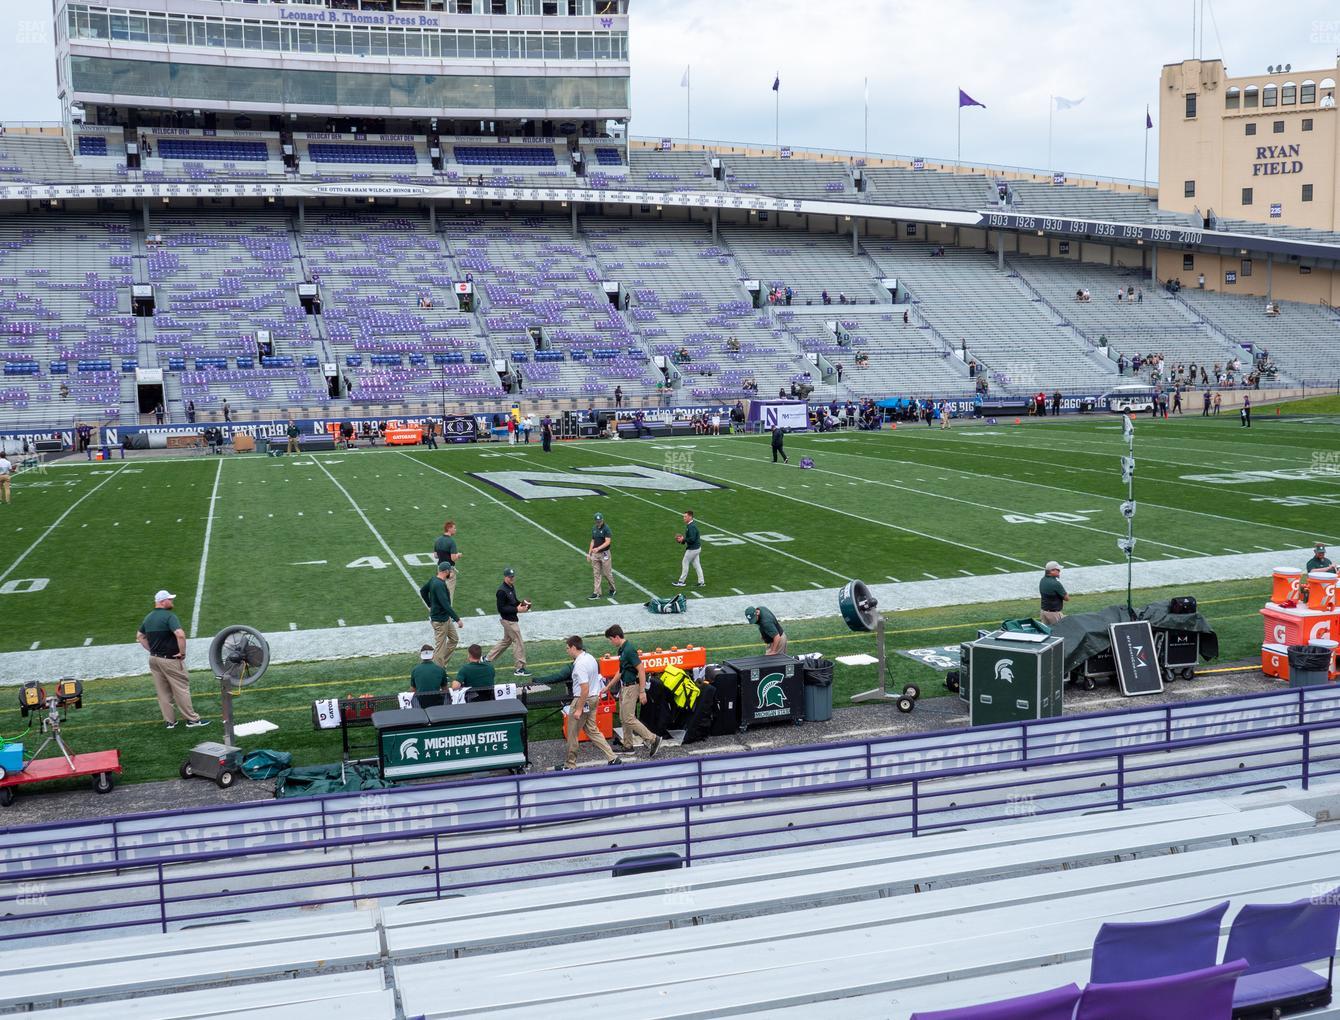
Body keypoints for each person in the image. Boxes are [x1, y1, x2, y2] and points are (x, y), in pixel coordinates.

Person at [136, 590, 208, 729]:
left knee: (163, 691)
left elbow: (140, 635)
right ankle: (192, 720)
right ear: (163, 602)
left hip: (154, 660)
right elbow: (180, 635)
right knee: (181, 689)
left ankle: (170, 722)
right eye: (170, 599)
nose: (172, 602)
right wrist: (182, 653)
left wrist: (151, 650)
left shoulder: (148, 617)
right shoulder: (169, 616)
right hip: (170, 660)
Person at [556, 635, 621, 771]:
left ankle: (570, 765)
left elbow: (584, 688)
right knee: (592, 730)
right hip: (594, 699)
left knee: (572, 733)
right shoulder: (590, 658)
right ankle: (612, 757)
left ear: (574, 647)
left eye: (568, 648)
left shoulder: (579, 665)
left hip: (583, 700)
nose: (567, 651)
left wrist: (579, 709)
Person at [605, 625, 661, 757]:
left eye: (611, 639)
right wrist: (608, 686)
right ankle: (628, 745)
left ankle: (653, 739)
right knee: (623, 718)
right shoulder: (622, 650)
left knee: (629, 718)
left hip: (631, 687)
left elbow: (641, 669)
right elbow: (621, 671)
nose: (610, 642)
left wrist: (642, 692)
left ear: (617, 637)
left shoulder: (629, 650)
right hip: (625, 687)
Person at [487, 567, 531, 678]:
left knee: (506, 641)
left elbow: (514, 601)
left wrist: (521, 605)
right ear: (505, 577)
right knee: (518, 642)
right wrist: (517, 610)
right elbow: (501, 608)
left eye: (513, 576)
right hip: (508, 621)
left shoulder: (511, 587)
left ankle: (487, 659)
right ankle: (519, 668)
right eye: (509, 577)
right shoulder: (501, 591)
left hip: (511, 619)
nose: (512, 578)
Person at [421, 562, 461, 668]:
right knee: (440, 648)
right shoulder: (439, 585)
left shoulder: (434, 580)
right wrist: (457, 619)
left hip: (445, 619)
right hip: (440, 621)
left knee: (454, 639)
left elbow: (423, 591)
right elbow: (446, 605)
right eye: (451, 571)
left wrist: (430, 604)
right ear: (446, 571)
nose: (452, 574)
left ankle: (442, 663)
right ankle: (439, 670)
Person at [672, 509, 705, 588]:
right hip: (696, 548)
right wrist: (682, 541)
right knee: (697, 565)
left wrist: (683, 539)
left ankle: (681, 581)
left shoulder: (691, 526)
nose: (684, 518)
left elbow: (692, 539)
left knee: (685, 562)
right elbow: (690, 539)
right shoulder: (690, 525)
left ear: (690, 517)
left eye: (685, 516)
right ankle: (701, 582)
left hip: (693, 549)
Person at [588, 511, 616, 600]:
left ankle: (612, 588)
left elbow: (608, 541)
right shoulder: (594, 528)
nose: (598, 522)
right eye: (597, 521)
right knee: (596, 574)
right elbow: (592, 541)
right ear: (595, 521)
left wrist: (598, 548)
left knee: (606, 573)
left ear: (602, 520)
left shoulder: (606, 529)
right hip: (595, 554)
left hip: (604, 553)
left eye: (600, 521)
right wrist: (589, 553)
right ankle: (597, 593)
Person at [410, 644, 448, 709]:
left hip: (420, 703)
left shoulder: (415, 670)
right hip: (437, 703)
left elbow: (412, 690)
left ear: (421, 656)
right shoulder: (440, 670)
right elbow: (445, 689)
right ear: (433, 656)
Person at [434, 520, 461, 600]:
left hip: (439, 569)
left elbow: (435, 556)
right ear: (449, 529)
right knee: (449, 595)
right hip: (449, 570)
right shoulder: (451, 541)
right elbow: (453, 558)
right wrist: (458, 555)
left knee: (440, 592)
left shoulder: (438, 540)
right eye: (454, 528)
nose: (455, 530)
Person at [1039, 561, 1069, 627]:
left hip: (1043, 612)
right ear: (1051, 571)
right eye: (1058, 570)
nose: (1059, 571)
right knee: (1062, 630)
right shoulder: (1055, 583)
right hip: (1053, 614)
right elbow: (1067, 598)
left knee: (1047, 632)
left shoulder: (1042, 580)